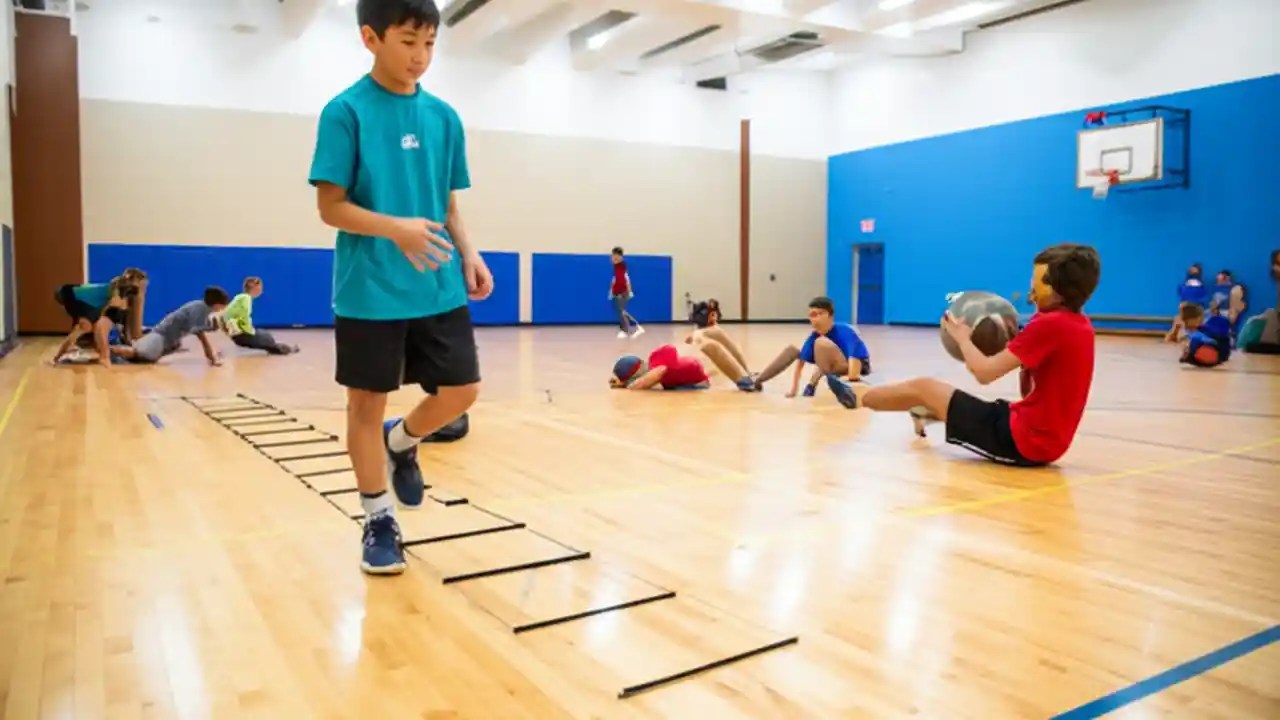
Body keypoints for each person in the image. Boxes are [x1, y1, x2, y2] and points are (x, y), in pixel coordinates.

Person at [309, 0, 492, 575]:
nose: (421, 56)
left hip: (438, 285)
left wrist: (469, 250)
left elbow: (446, 200)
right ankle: (377, 518)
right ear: (371, 37)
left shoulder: (444, 118)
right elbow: (329, 207)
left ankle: (402, 442)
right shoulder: (344, 113)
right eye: (409, 41)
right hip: (370, 290)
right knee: (365, 405)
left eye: (431, 44)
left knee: (461, 392)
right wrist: (395, 229)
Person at [831, 243, 1101, 468]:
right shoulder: (1076, 323)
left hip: (1025, 442)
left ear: (1055, 287)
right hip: (1041, 436)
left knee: (924, 387)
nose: (1031, 283)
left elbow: (984, 373)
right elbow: (1030, 389)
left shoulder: (1051, 325)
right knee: (937, 396)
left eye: (1037, 278)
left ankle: (857, 397)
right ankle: (927, 412)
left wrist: (963, 338)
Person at [751, 296, 871, 398]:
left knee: (821, 344)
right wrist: (794, 389)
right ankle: (758, 381)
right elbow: (801, 361)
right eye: (812, 315)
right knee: (792, 350)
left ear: (830, 316)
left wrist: (852, 379)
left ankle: (833, 384)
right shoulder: (814, 337)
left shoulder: (844, 331)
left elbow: (855, 355)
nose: (815, 319)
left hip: (856, 366)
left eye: (820, 314)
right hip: (833, 367)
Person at [111, 286, 231, 366]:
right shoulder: (200, 309)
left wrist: (211, 328)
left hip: (169, 340)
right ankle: (108, 350)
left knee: (146, 358)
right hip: (160, 336)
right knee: (137, 352)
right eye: (222, 306)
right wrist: (212, 357)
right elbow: (200, 335)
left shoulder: (201, 308)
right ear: (216, 304)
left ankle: (117, 352)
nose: (221, 309)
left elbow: (195, 326)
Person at [52, 270, 146, 366]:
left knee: (87, 327)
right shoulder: (118, 289)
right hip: (69, 293)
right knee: (86, 327)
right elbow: (110, 308)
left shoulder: (120, 291)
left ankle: (68, 349)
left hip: (77, 296)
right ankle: (58, 356)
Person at [610, 336, 756, 392]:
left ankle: (744, 377)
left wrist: (630, 386)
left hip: (698, 379)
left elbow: (658, 372)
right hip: (696, 380)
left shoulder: (658, 358)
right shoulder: (658, 364)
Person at [220, 277, 299, 355]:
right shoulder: (246, 298)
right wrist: (251, 331)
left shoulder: (239, 297)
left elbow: (227, 315)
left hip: (236, 334)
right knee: (267, 338)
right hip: (240, 335)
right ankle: (287, 349)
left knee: (266, 339)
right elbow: (244, 317)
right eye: (260, 288)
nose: (261, 291)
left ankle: (283, 349)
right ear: (256, 288)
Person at [1167, 301, 1232, 367]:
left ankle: (1207, 357)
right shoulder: (1187, 331)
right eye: (1200, 317)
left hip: (1217, 350)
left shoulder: (1205, 329)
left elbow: (1217, 340)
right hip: (1204, 352)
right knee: (1193, 342)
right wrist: (1176, 328)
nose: (1201, 319)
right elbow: (1170, 339)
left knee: (1195, 341)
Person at [609, 246, 643, 339]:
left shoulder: (622, 266)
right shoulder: (616, 267)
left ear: (620, 257)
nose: (613, 258)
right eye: (613, 256)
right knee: (621, 311)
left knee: (622, 311)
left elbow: (626, 278)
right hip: (618, 291)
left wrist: (629, 290)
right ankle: (628, 328)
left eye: (615, 256)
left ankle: (628, 330)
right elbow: (614, 279)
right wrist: (611, 291)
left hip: (623, 292)